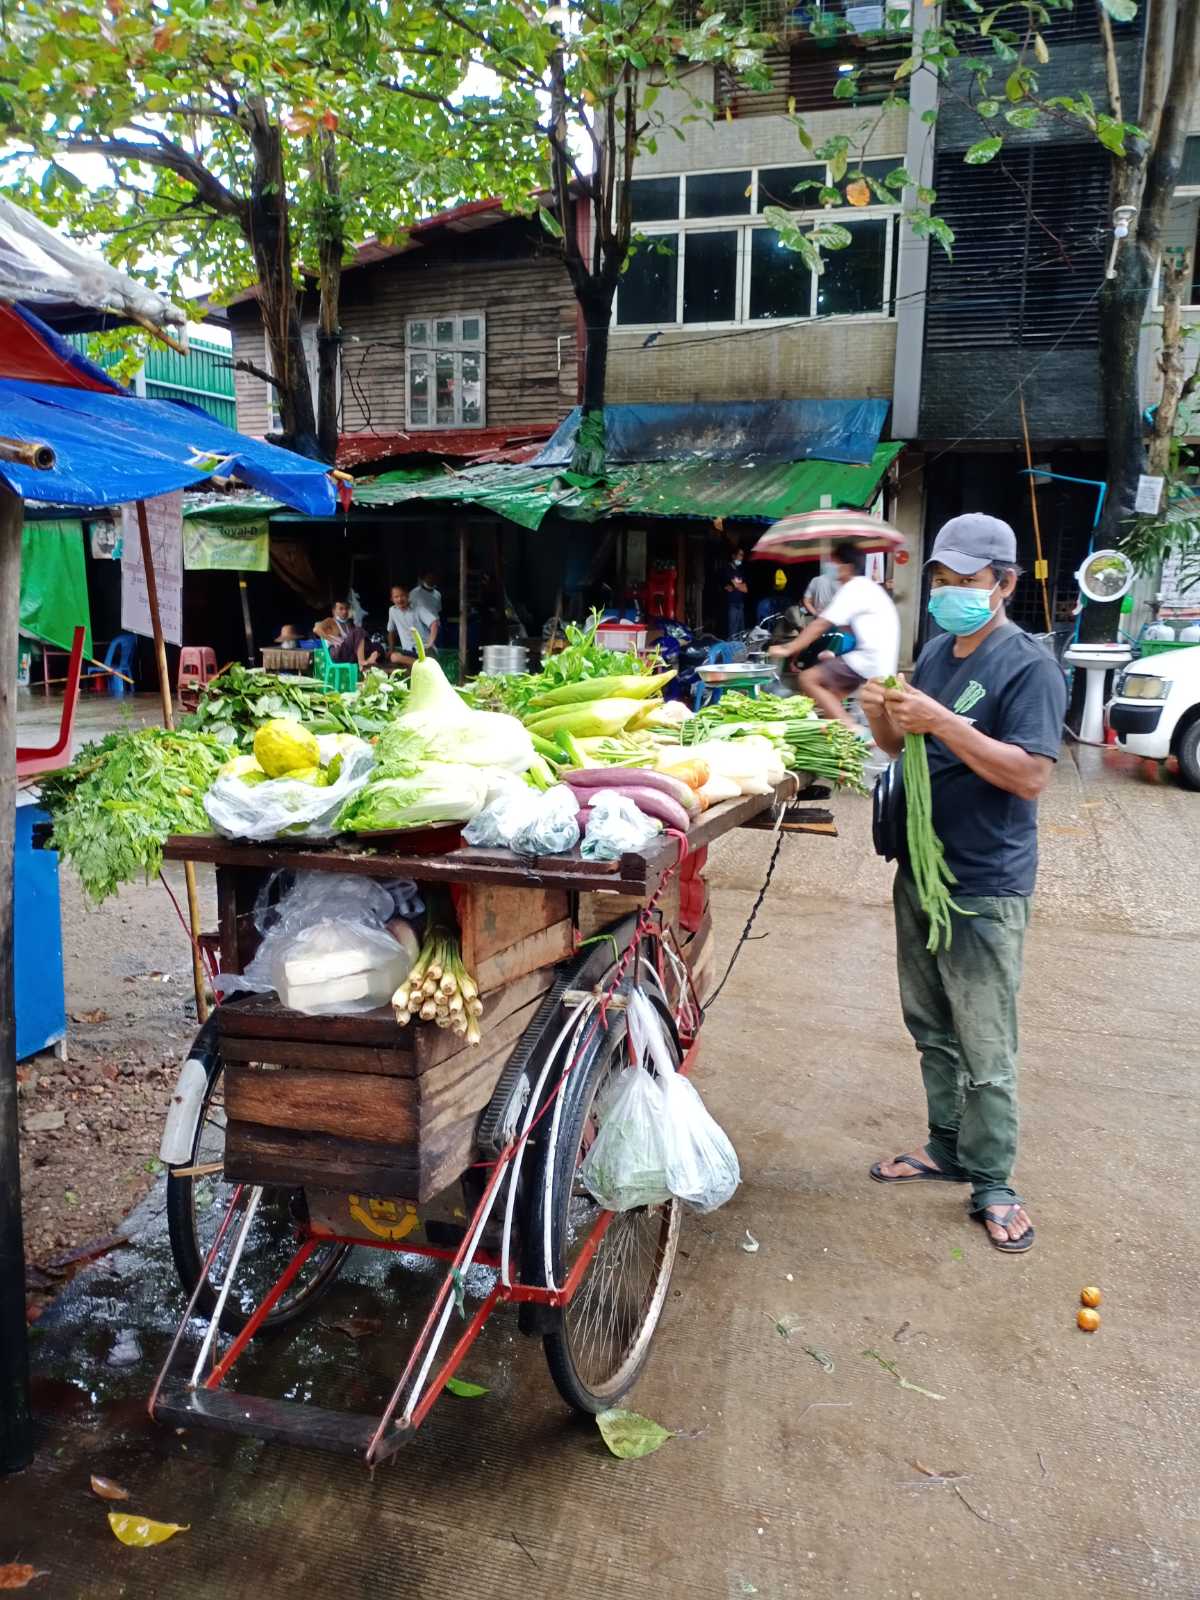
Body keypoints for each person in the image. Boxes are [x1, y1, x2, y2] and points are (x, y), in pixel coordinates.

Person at [860, 513, 1067, 1255]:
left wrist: (943, 721)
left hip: (982, 883)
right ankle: (947, 1147)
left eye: (967, 583)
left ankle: (994, 1182)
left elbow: (1031, 775)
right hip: (922, 870)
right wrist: (881, 715)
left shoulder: (1030, 666)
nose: (950, 594)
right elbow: (901, 745)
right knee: (931, 1026)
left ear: (1006, 584)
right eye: (941, 581)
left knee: (985, 1040)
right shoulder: (940, 650)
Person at [768, 542, 899, 729]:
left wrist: (787, 648)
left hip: (867, 659)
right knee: (831, 694)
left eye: (834, 562)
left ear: (847, 567)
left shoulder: (854, 588)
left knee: (808, 679)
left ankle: (851, 729)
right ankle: (841, 733)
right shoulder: (867, 587)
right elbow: (848, 628)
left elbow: (821, 624)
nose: (831, 567)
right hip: (877, 660)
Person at [314, 608, 379, 669]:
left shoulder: (348, 624)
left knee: (377, 646)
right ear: (334, 610)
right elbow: (316, 629)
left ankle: (369, 659)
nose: (344, 611)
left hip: (347, 653)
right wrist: (332, 640)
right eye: (341, 608)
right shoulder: (330, 621)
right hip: (337, 652)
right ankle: (361, 662)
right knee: (358, 631)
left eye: (346, 608)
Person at [386, 584, 421, 669]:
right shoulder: (392, 611)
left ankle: (421, 665)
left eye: (402, 596)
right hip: (407, 651)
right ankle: (420, 665)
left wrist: (430, 643)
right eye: (396, 597)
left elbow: (434, 623)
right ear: (392, 599)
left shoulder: (417, 609)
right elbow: (391, 631)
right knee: (394, 657)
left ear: (408, 596)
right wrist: (391, 649)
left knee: (396, 659)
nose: (400, 599)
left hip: (422, 650)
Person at [719, 546, 749, 638]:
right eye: (740, 555)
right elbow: (737, 586)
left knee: (741, 631)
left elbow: (745, 589)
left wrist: (735, 586)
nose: (741, 558)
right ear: (733, 556)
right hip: (732, 604)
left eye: (742, 555)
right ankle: (732, 651)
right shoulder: (728, 569)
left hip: (740, 604)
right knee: (733, 632)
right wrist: (737, 586)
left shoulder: (740, 570)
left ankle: (740, 651)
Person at [409, 569, 441, 650]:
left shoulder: (438, 594)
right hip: (421, 627)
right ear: (423, 579)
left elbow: (438, 610)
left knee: (436, 650)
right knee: (425, 650)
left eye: (433, 577)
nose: (431, 579)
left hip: (436, 626)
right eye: (428, 577)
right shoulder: (414, 593)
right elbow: (410, 610)